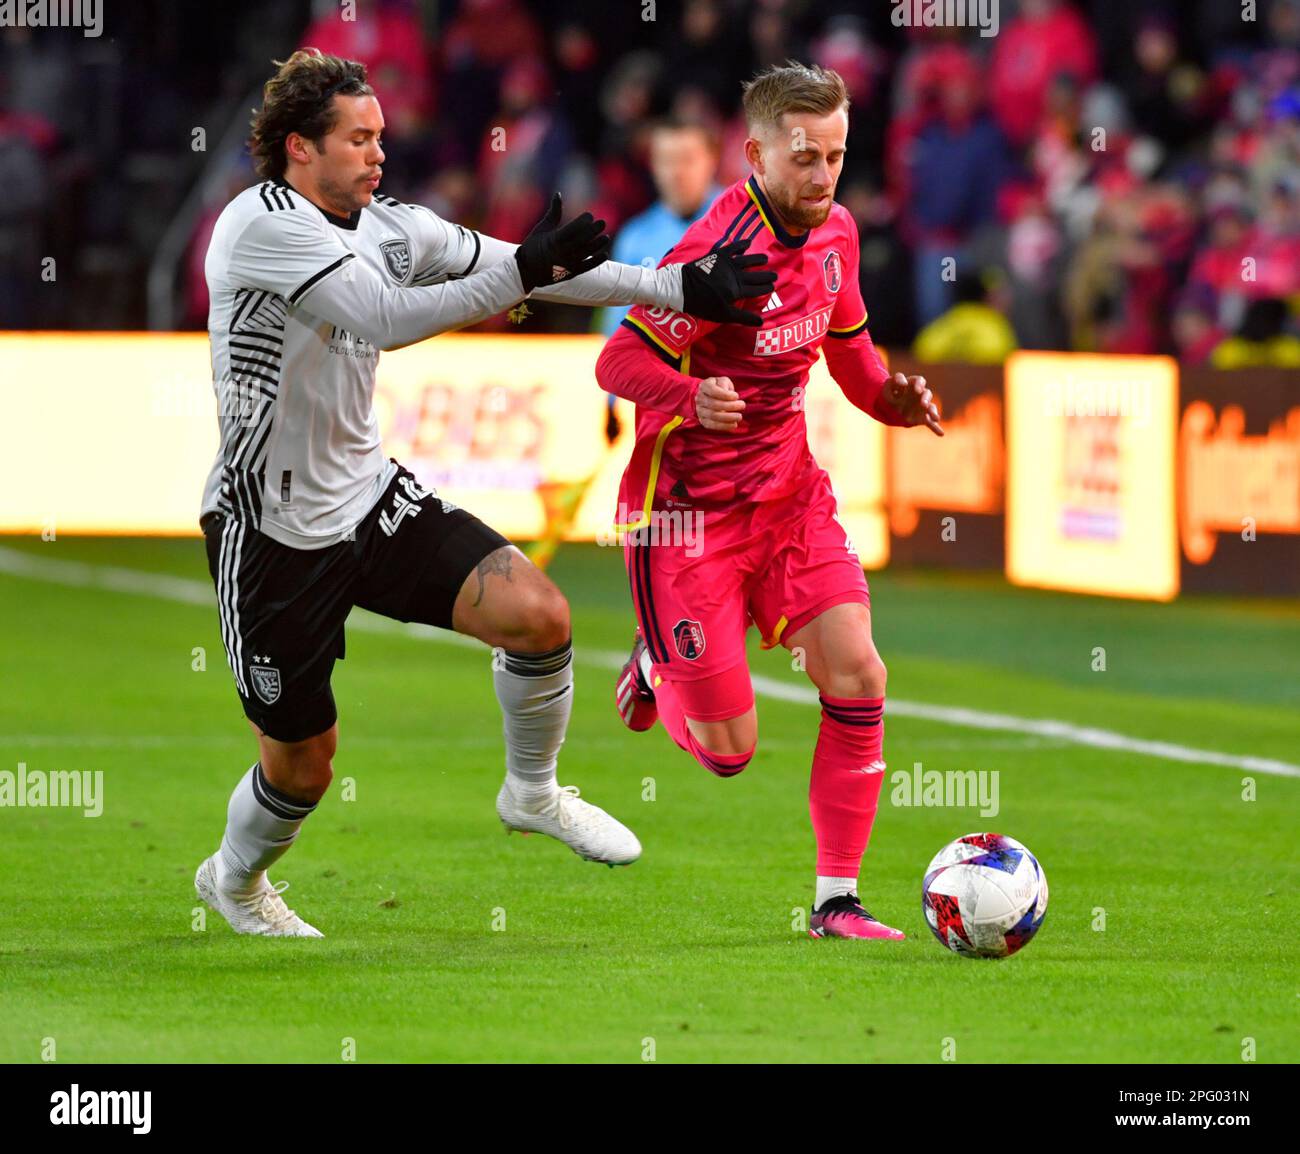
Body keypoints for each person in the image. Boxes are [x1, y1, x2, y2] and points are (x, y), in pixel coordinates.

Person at [193, 48, 773, 938]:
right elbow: (386, 319)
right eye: (359, 139)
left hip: (366, 499)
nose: (379, 153)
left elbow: (538, 261)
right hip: (270, 529)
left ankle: (531, 792)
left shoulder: (388, 225)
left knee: (539, 615)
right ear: (300, 149)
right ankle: (234, 881)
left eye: (382, 135)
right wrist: (523, 275)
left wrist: (677, 287)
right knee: (303, 766)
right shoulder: (259, 225)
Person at [596, 62, 943, 941]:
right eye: (805, 159)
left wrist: (889, 401)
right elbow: (616, 363)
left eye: (836, 157)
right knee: (729, 751)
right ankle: (655, 665)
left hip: (789, 499)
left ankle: (836, 902)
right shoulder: (712, 254)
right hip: (687, 520)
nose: (824, 177)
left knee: (861, 674)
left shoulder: (840, 238)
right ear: (754, 153)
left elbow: (852, 359)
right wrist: (685, 396)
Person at [601, 117, 723, 442]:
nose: (676, 172)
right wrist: (611, 401)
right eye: (666, 161)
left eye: (687, 160)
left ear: (712, 161)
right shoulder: (635, 237)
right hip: (662, 402)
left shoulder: (742, 224)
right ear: (653, 165)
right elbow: (617, 324)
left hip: (729, 396)